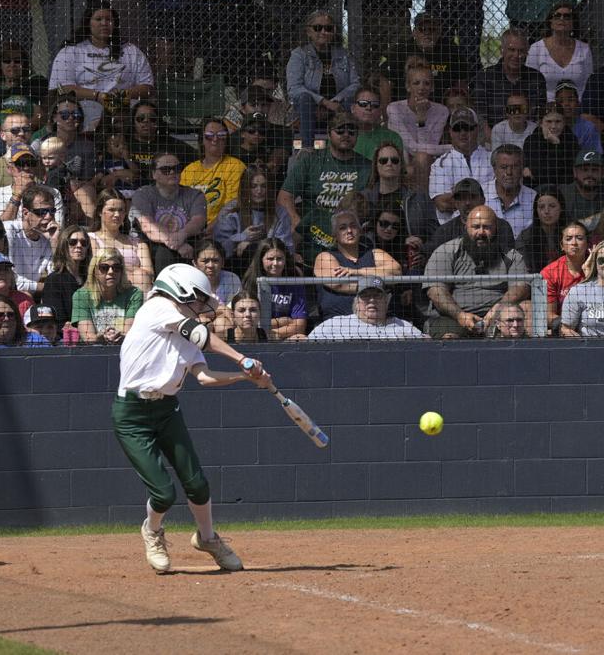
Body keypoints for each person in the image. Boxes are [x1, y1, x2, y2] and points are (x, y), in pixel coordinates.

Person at [114, 264, 272, 573]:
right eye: (198, 299)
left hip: (166, 409)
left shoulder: (185, 333)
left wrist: (244, 377)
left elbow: (205, 376)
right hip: (132, 413)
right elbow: (201, 335)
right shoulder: (157, 307)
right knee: (163, 492)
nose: (202, 307)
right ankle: (153, 531)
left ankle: (207, 538)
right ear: (180, 290)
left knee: (197, 485)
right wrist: (243, 358)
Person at [424, 206, 531, 338]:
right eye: (476, 227)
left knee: (527, 308)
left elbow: (521, 288)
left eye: (487, 227)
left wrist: (498, 309)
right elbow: (436, 292)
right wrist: (460, 315)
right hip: (452, 317)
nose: (481, 232)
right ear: (466, 227)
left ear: (496, 229)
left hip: (499, 317)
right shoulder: (446, 251)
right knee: (450, 338)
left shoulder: (511, 256)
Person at [49, 6, 155, 121]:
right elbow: (60, 89)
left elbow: (147, 87)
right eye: (98, 19)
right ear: (88, 22)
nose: (104, 23)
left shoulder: (131, 51)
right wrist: (99, 96)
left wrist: (123, 95)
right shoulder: (70, 51)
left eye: (109, 20)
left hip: (123, 117)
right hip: (81, 117)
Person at [284, 9, 362, 152]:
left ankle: (349, 147)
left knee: (351, 99)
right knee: (304, 98)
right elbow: (294, 88)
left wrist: (336, 101)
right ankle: (308, 149)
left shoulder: (344, 55)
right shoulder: (298, 55)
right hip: (307, 109)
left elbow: (356, 83)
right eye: (318, 28)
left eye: (328, 28)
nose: (323, 32)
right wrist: (323, 102)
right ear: (308, 31)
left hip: (338, 108)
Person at [130, 153, 208, 269]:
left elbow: (198, 222)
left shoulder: (195, 195)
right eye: (165, 170)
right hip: (150, 246)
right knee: (164, 253)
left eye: (176, 169)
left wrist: (181, 235)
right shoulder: (142, 194)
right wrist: (176, 244)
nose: (172, 172)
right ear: (154, 174)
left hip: (187, 244)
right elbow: (148, 226)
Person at [310, 277, 427, 340]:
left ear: (386, 301)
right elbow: (309, 343)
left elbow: (426, 344)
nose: (371, 300)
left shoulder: (403, 326)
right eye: (365, 296)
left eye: (377, 295)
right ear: (356, 303)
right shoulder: (335, 324)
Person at [240, 241, 307, 341]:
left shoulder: (295, 282)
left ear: (285, 259)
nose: (275, 263)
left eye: (279, 259)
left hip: (285, 335)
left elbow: (300, 326)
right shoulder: (251, 282)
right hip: (256, 338)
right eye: (270, 259)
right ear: (261, 259)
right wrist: (282, 321)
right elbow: (249, 323)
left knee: (301, 338)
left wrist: (272, 334)